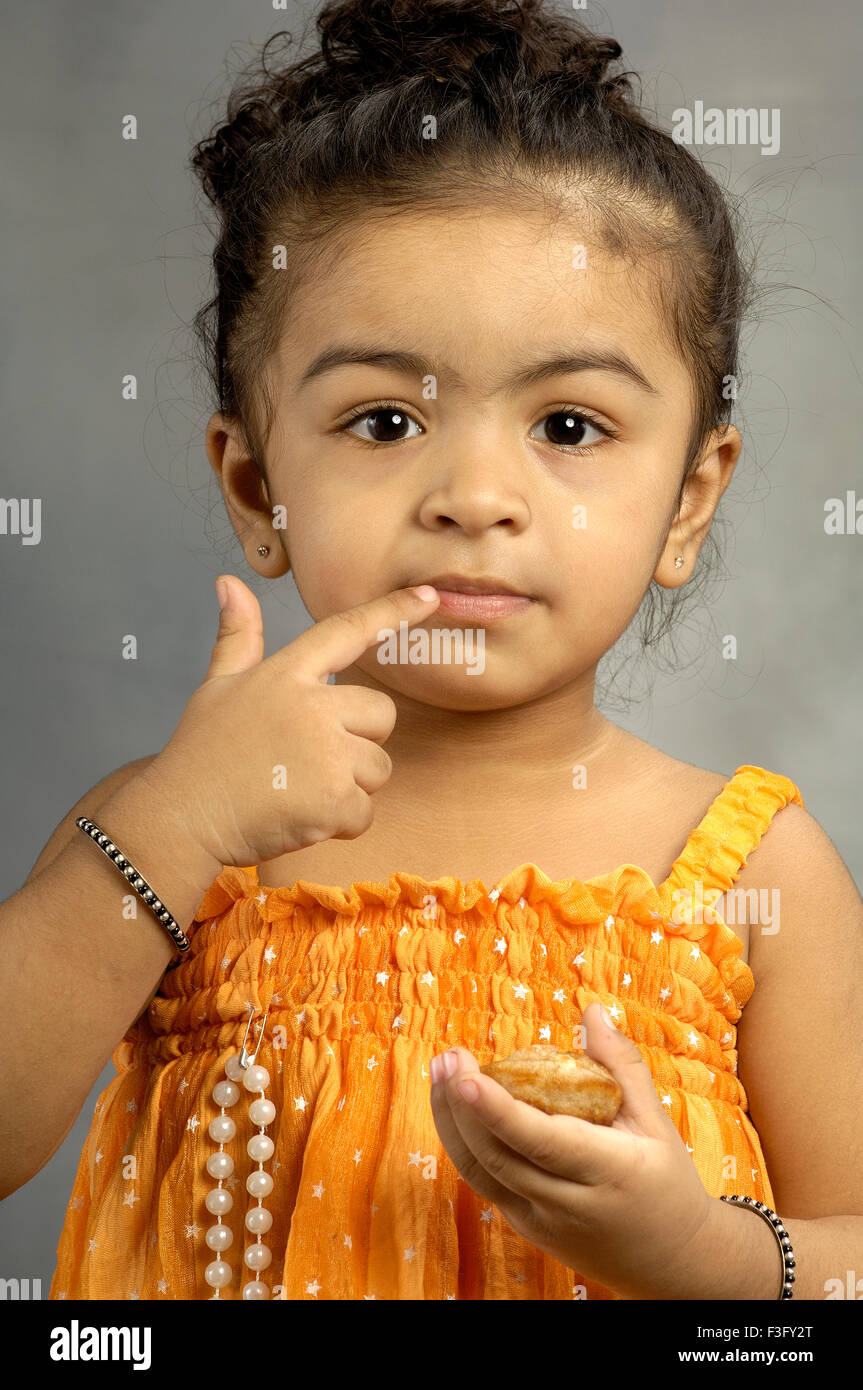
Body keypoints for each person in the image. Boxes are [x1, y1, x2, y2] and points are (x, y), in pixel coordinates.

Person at [4, 0, 861, 1301]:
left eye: (569, 425)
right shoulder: (184, 835)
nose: (474, 491)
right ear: (253, 486)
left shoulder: (751, 872)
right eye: (386, 418)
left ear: (689, 501)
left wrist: (700, 1255)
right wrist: (174, 822)